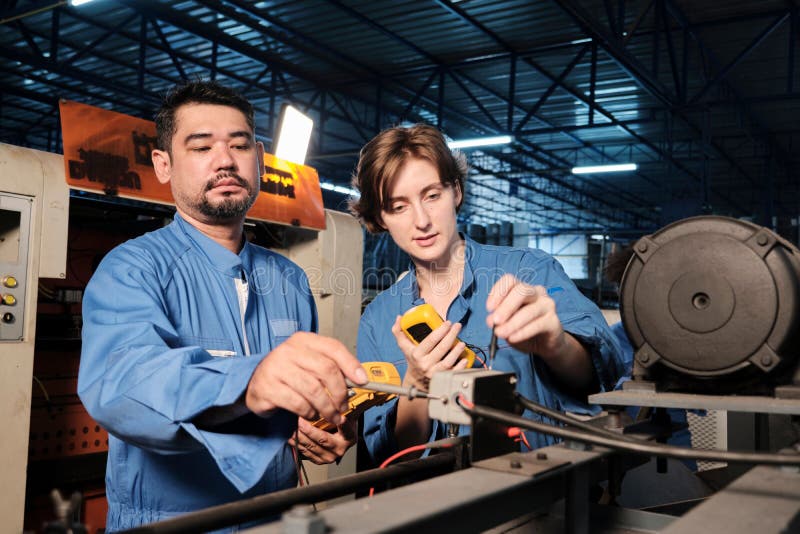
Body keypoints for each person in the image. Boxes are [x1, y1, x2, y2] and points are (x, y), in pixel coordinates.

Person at [78, 80, 366, 530]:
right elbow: (122, 383)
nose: (226, 160)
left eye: (239, 143)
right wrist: (249, 381)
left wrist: (323, 428)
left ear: (260, 160)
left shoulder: (288, 278)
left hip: (275, 521)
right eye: (201, 146)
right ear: (164, 164)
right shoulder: (132, 269)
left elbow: (296, 405)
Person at [349, 124, 624, 465]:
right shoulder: (377, 320)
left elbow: (606, 375)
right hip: (430, 508)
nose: (421, 220)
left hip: (535, 496)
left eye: (432, 195)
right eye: (398, 206)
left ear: (456, 192)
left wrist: (557, 344)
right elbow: (390, 452)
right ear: (381, 217)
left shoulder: (528, 271)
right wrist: (417, 384)